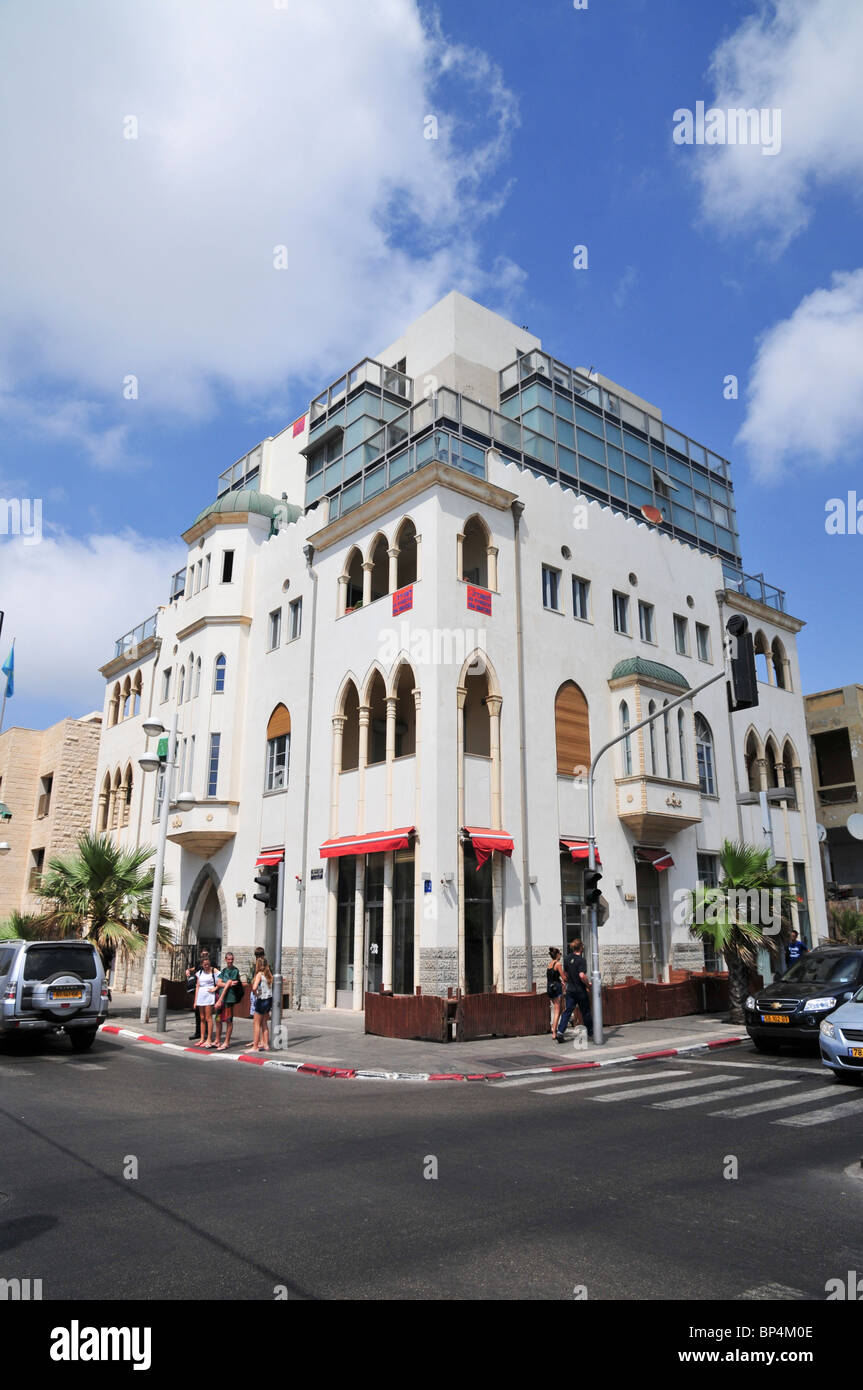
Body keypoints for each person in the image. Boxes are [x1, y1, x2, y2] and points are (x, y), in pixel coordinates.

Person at [555, 935, 592, 1042]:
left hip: (570, 990)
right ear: (580, 948)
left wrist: (567, 981)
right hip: (580, 990)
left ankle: (560, 1032)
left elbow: (565, 975)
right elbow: (582, 975)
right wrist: (588, 984)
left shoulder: (567, 958)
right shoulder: (581, 960)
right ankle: (590, 1032)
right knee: (585, 1011)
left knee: (567, 1011)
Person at [187, 953, 219, 1048]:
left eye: (208, 964)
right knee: (202, 1018)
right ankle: (202, 1038)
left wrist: (215, 988)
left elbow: (221, 980)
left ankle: (209, 1038)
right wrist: (195, 1001)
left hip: (209, 996)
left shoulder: (214, 971)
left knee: (208, 1018)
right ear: (202, 965)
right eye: (204, 964)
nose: (206, 966)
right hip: (201, 995)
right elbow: (197, 987)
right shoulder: (199, 973)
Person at [214, 952, 242, 1050]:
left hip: (229, 998)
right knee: (218, 1019)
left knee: (228, 1020)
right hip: (221, 997)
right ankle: (217, 1040)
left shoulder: (235, 971)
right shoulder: (224, 970)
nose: (230, 961)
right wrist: (227, 984)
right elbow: (218, 983)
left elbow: (232, 982)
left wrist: (225, 983)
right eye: (228, 959)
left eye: (232, 959)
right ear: (225, 959)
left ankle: (227, 1042)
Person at [186, 949, 211, 1041]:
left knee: (207, 1015)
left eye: (206, 953)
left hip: (207, 992)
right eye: (203, 953)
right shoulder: (198, 962)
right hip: (199, 990)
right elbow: (195, 969)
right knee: (198, 1014)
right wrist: (188, 970)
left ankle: (207, 1033)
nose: (204, 955)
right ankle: (198, 1032)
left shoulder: (211, 963)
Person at [251, 954, 273, 1052]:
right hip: (268, 1000)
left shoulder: (259, 974)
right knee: (264, 1023)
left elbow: (254, 987)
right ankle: (266, 1044)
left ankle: (255, 1046)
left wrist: (255, 994)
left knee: (256, 1024)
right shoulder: (269, 975)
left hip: (261, 999)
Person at [546, 946, 565, 1037]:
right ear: (557, 955)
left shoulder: (549, 965)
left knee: (557, 1009)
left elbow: (551, 977)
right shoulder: (558, 964)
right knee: (557, 1010)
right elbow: (564, 977)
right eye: (560, 953)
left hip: (549, 988)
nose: (560, 955)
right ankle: (554, 1032)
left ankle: (553, 1028)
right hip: (556, 988)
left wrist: (560, 980)